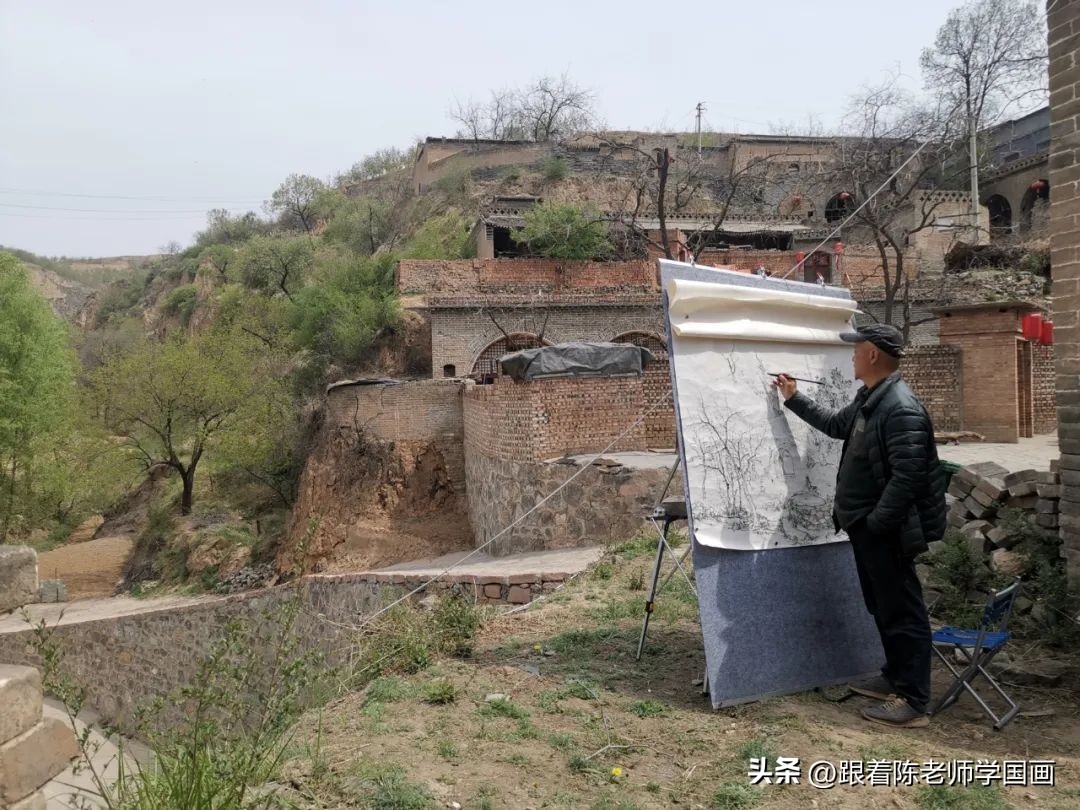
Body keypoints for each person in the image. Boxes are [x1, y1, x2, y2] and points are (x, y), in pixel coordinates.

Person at [773, 324, 946, 729]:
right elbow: (836, 425)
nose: (851, 356)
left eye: (856, 350)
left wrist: (876, 522)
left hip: (886, 531)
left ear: (872, 355)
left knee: (903, 611)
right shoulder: (871, 398)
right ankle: (894, 676)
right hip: (868, 529)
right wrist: (794, 398)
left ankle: (914, 699)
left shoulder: (900, 408)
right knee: (881, 605)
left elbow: (909, 478)